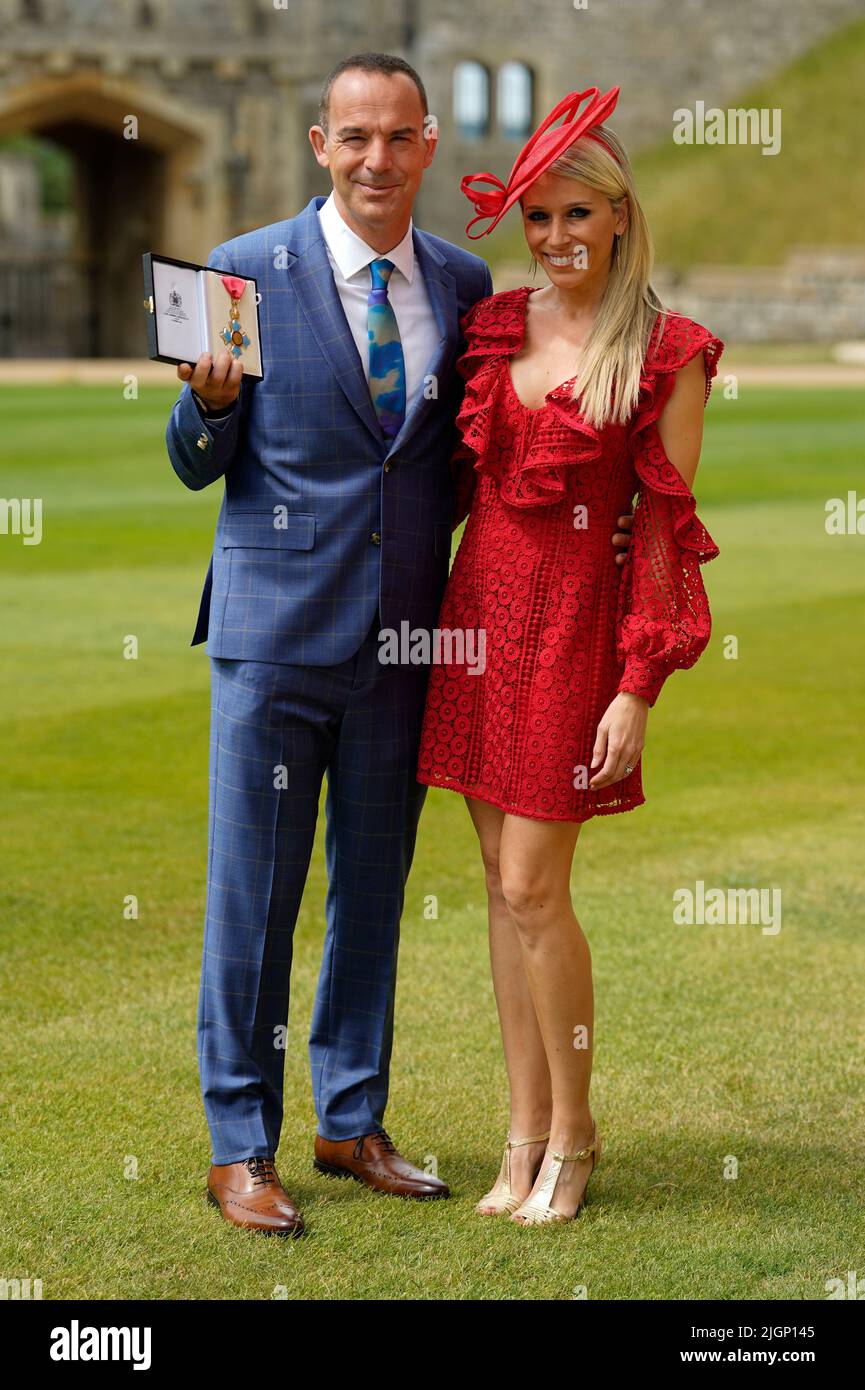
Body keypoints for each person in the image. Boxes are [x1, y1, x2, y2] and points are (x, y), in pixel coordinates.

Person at [165, 55, 637, 1236]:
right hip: (273, 641)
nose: (376, 160)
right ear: (321, 144)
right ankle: (240, 1146)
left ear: (428, 144)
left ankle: (351, 1117)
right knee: (255, 902)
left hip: (411, 647)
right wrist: (211, 405)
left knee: (373, 897)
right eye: (353, 139)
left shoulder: (469, 283)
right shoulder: (244, 271)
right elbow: (193, 459)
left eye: (397, 138)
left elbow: (501, 447)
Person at [417, 87, 724, 1225]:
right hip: (477, 616)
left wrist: (637, 685)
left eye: (575, 215)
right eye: (536, 216)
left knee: (536, 889)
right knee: (500, 895)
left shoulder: (668, 351)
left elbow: (663, 538)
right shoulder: (493, 325)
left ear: (618, 215)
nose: (553, 238)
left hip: (574, 634)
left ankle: (577, 1137)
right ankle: (522, 1133)